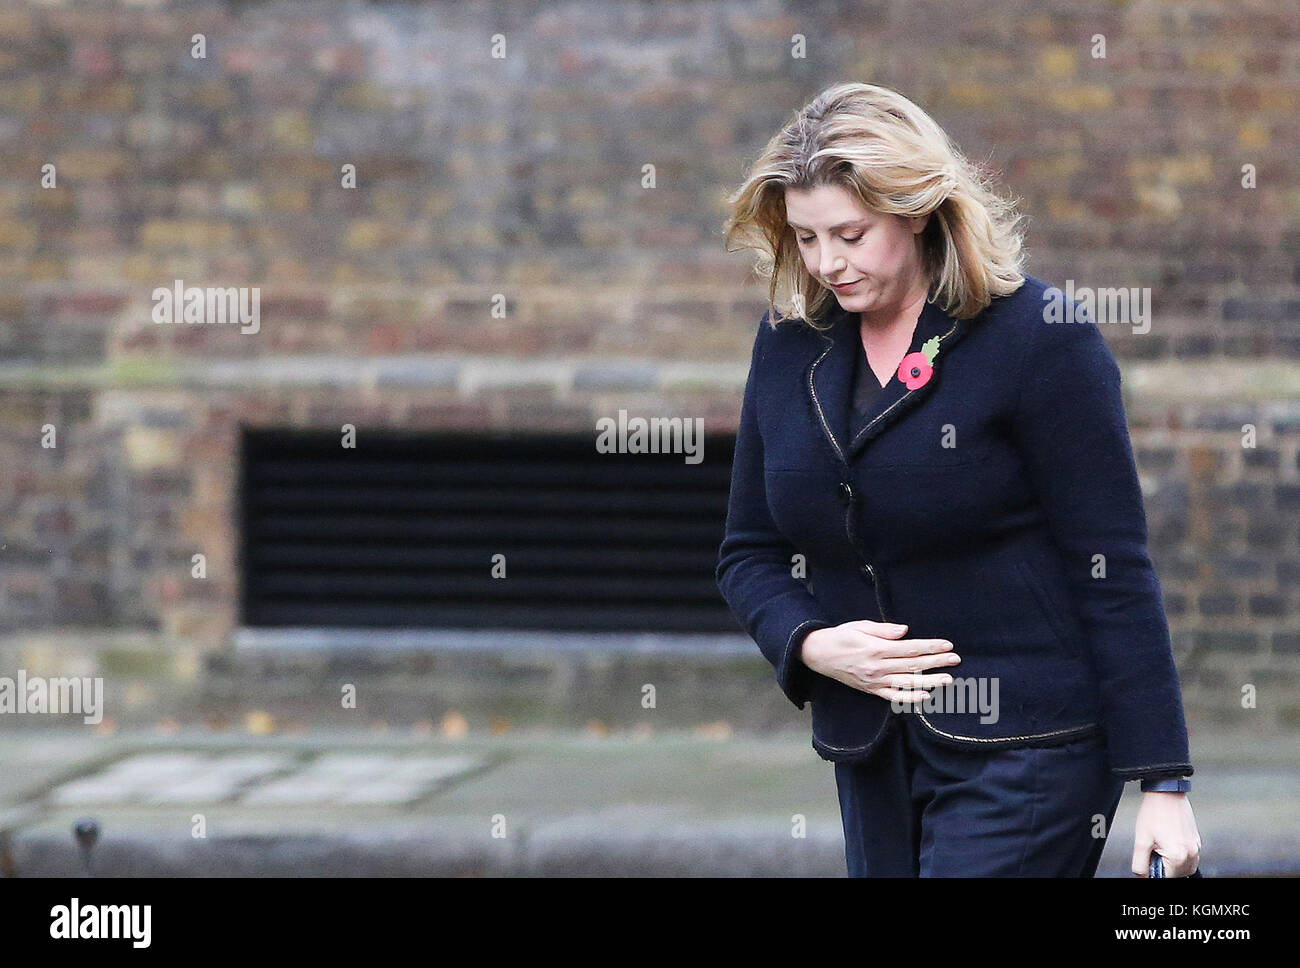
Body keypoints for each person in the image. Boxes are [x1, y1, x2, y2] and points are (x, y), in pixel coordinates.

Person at [715, 82, 1202, 877]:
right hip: (869, 748)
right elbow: (748, 553)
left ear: (915, 209)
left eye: (850, 233)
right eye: (805, 238)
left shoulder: (1039, 340)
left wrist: (1163, 780)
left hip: (1031, 749)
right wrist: (809, 644)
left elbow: (1111, 566)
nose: (827, 262)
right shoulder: (788, 344)